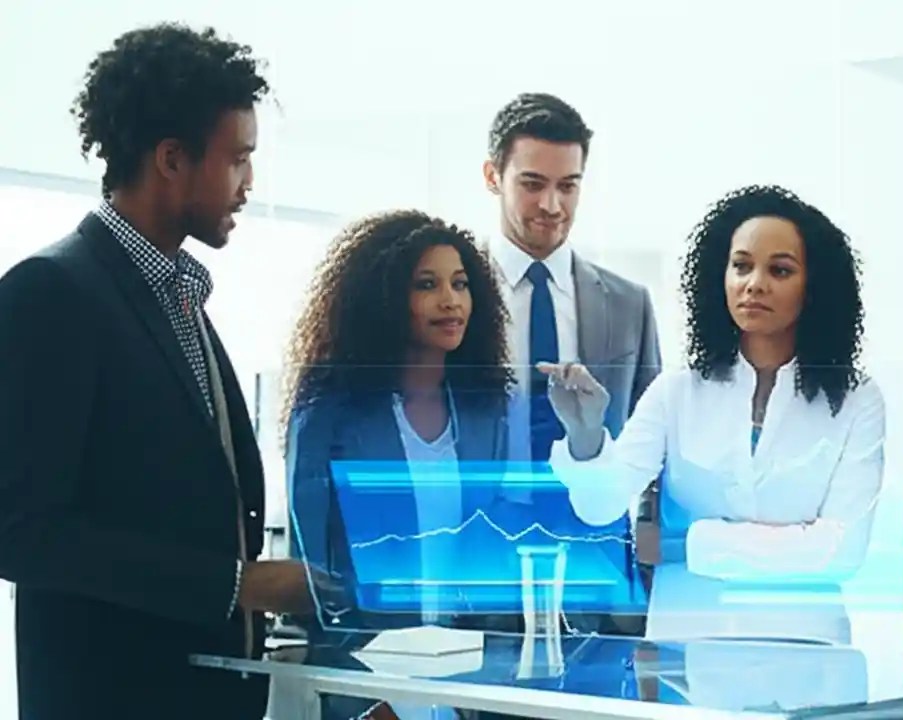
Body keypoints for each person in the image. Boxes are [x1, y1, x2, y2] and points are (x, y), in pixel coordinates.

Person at [0, 24, 309, 720]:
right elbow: (21, 532)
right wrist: (239, 586)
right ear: (172, 158)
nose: (248, 183)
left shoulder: (179, 295)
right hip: (110, 696)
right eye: (238, 159)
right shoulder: (52, 292)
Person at [540, 185, 886, 643]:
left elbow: (842, 551)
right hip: (689, 663)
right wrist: (586, 436)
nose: (754, 283)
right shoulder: (677, 391)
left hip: (809, 661)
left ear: (816, 287)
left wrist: (686, 544)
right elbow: (600, 506)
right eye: (741, 266)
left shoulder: (857, 399)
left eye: (780, 270)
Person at [281, 211, 519, 720]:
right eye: (426, 285)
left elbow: (490, 552)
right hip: (368, 681)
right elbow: (314, 573)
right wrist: (374, 695)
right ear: (387, 300)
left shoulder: (484, 410)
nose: (450, 300)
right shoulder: (328, 410)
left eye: (460, 283)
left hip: (463, 679)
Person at [482, 92, 662, 627]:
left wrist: (650, 558)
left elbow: (656, 444)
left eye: (568, 185)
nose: (552, 206)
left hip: (598, 561)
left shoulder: (629, 303)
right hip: (485, 551)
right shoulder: (453, 295)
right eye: (533, 184)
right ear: (493, 176)